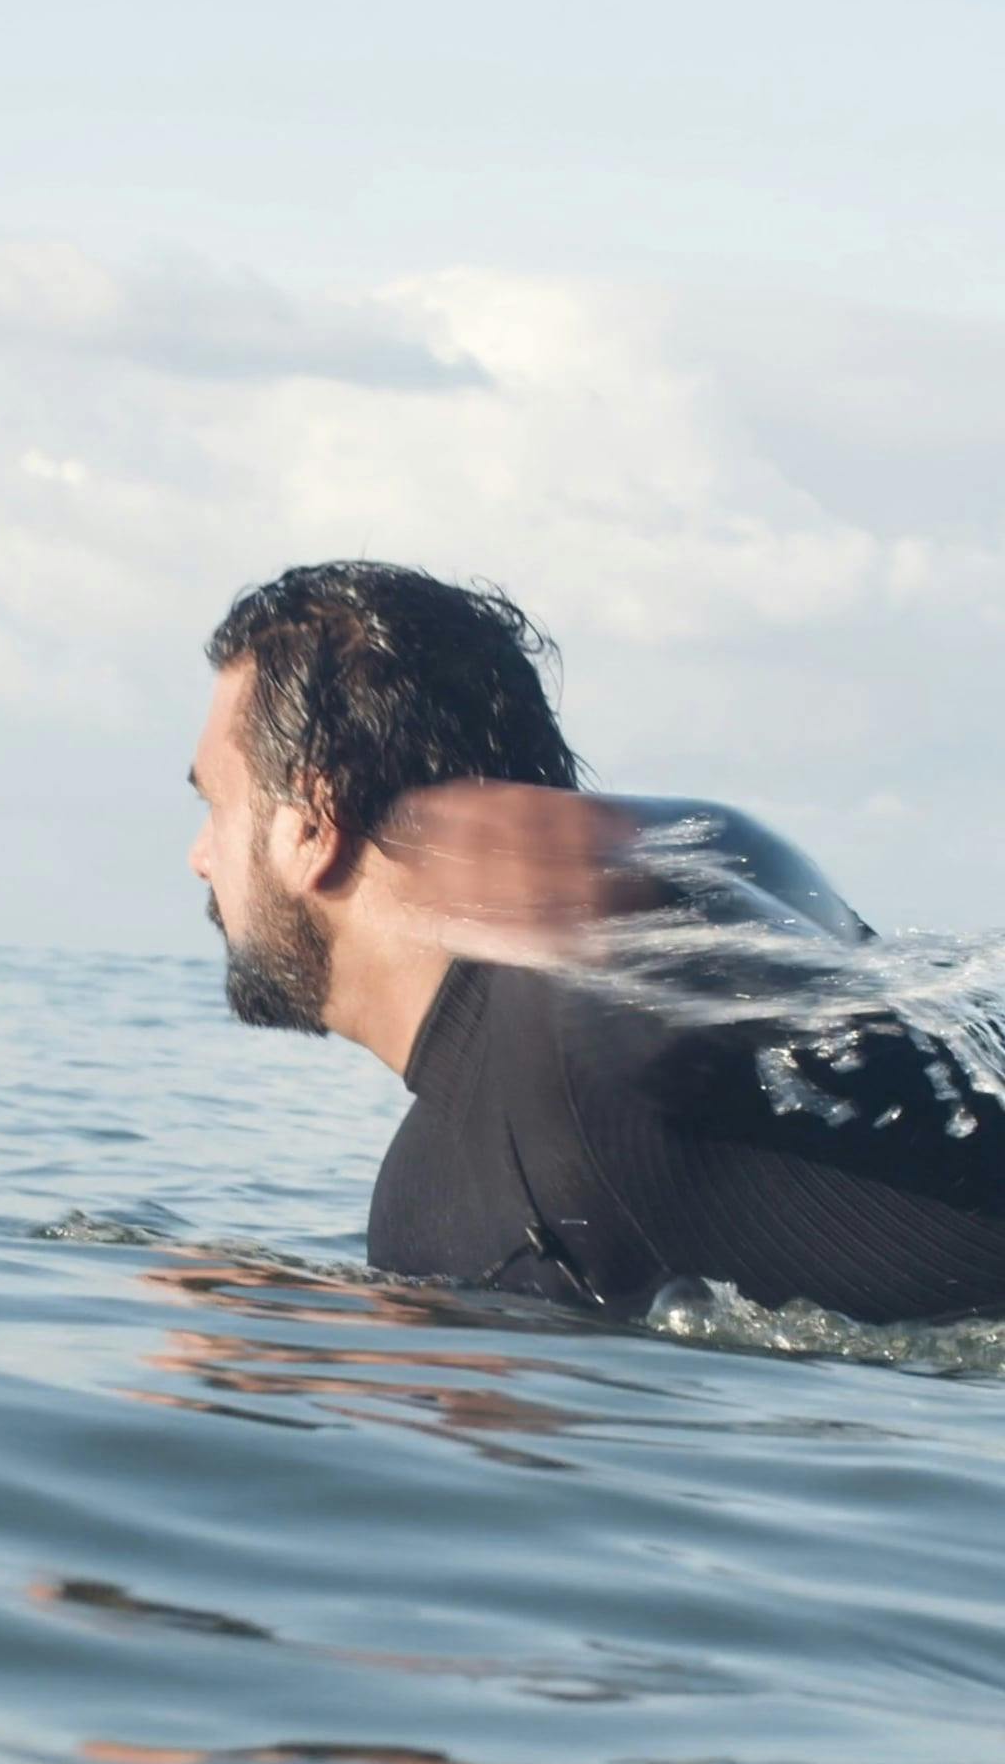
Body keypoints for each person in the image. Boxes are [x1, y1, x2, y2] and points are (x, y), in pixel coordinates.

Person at [187, 560, 1005, 1324]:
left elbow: (759, 956)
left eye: (216, 807)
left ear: (313, 825)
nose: (200, 859)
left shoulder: (575, 1025)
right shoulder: (420, 1200)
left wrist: (621, 874)